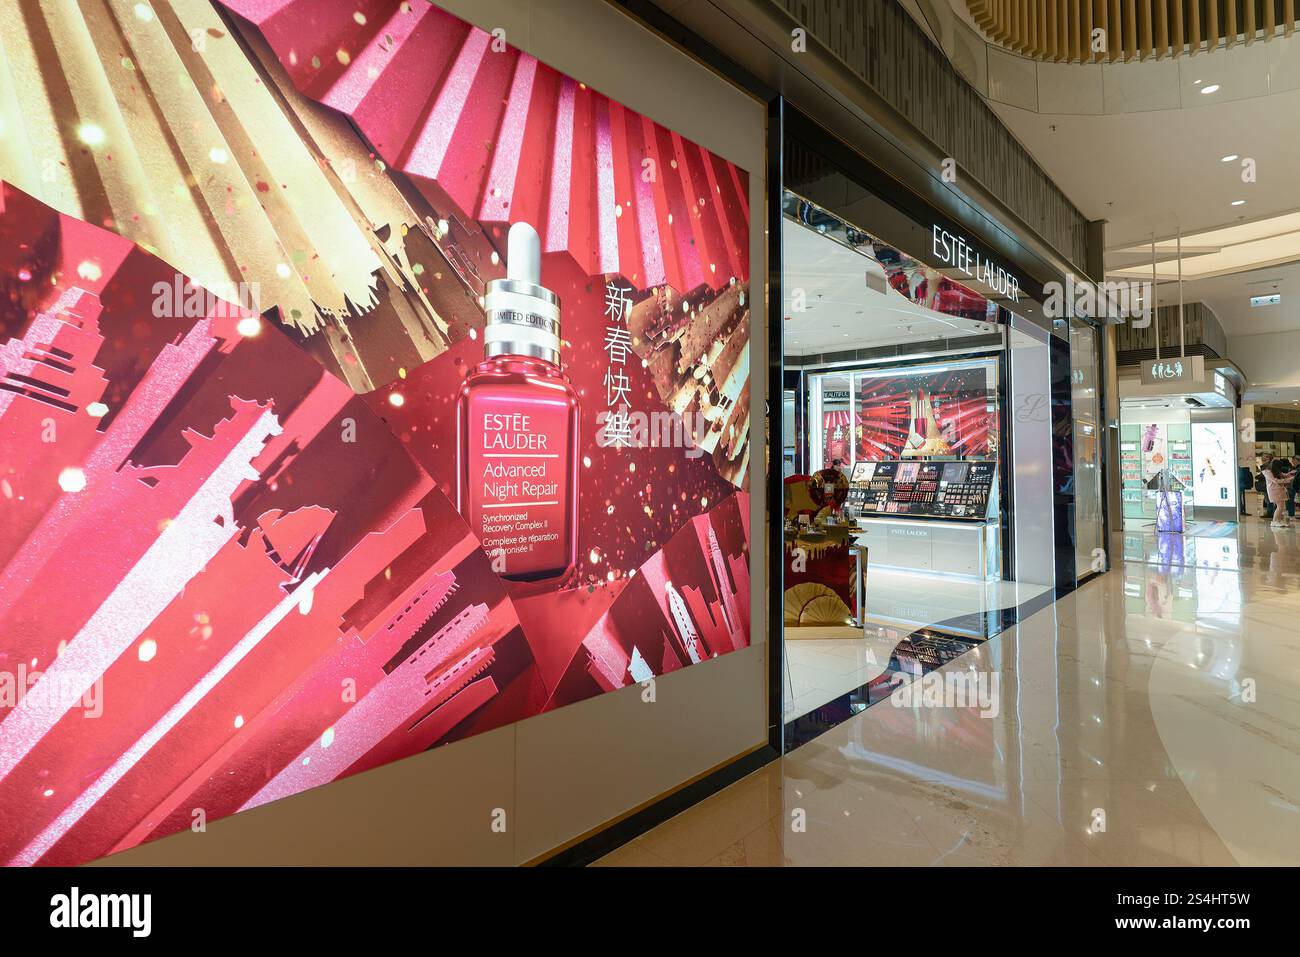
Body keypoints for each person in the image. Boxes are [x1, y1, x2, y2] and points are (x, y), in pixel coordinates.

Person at [1264, 458, 1296, 528]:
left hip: (1279, 490)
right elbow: (1276, 481)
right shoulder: (1268, 472)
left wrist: (1289, 474)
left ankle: (1278, 520)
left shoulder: (1275, 471)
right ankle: (1274, 521)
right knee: (1280, 506)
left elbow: (1283, 475)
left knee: (1281, 506)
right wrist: (1289, 479)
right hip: (1274, 490)